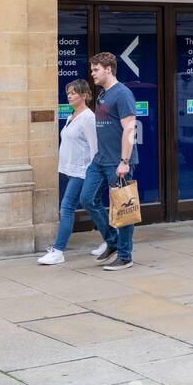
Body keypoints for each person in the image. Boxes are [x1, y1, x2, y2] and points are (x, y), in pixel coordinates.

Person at [82, 51, 139, 271]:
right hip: (100, 160)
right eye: (92, 69)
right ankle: (112, 241)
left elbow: (129, 129)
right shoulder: (102, 95)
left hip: (118, 162)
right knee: (87, 199)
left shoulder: (122, 94)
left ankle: (125, 256)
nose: (92, 73)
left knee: (123, 208)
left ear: (108, 69)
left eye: (96, 69)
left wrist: (124, 161)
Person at [39, 79, 98, 265]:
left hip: (82, 170)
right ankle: (111, 239)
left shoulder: (88, 117)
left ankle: (58, 251)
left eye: (73, 92)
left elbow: (94, 148)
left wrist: (93, 172)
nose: (69, 96)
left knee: (66, 207)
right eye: (68, 93)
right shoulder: (71, 116)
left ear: (84, 95)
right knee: (92, 204)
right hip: (70, 169)